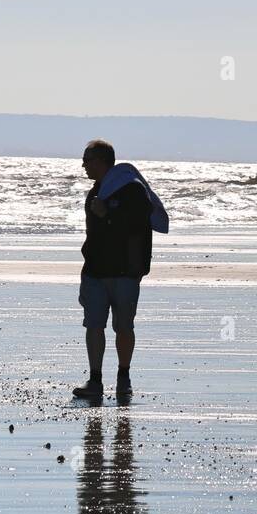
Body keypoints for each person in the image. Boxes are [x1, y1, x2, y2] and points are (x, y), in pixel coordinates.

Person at [75, 140, 153, 401]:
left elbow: (138, 225)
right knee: (94, 325)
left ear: (102, 161)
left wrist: (107, 213)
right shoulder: (94, 191)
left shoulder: (132, 189)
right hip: (95, 271)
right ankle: (95, 380)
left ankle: (123, 377)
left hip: (125, 272)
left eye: (87, 159)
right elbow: (93, 232)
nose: (83, 165)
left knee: (124, 327)